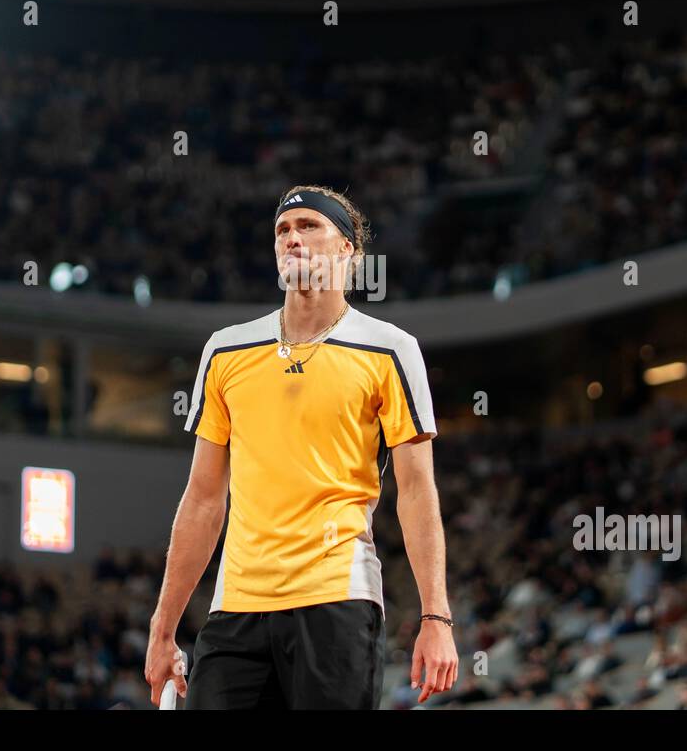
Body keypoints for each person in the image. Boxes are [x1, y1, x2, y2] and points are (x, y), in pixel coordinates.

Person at [146, 185, 456, 709]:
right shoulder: (226, 350)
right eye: (282, 230)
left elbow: (417, 491)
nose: (292, 238)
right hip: (235, 608)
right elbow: (202, 498)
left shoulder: (391, 350)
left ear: (347, 251)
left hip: (338, 599)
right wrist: (163, 628)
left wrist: (436, 617)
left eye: (309, 226)